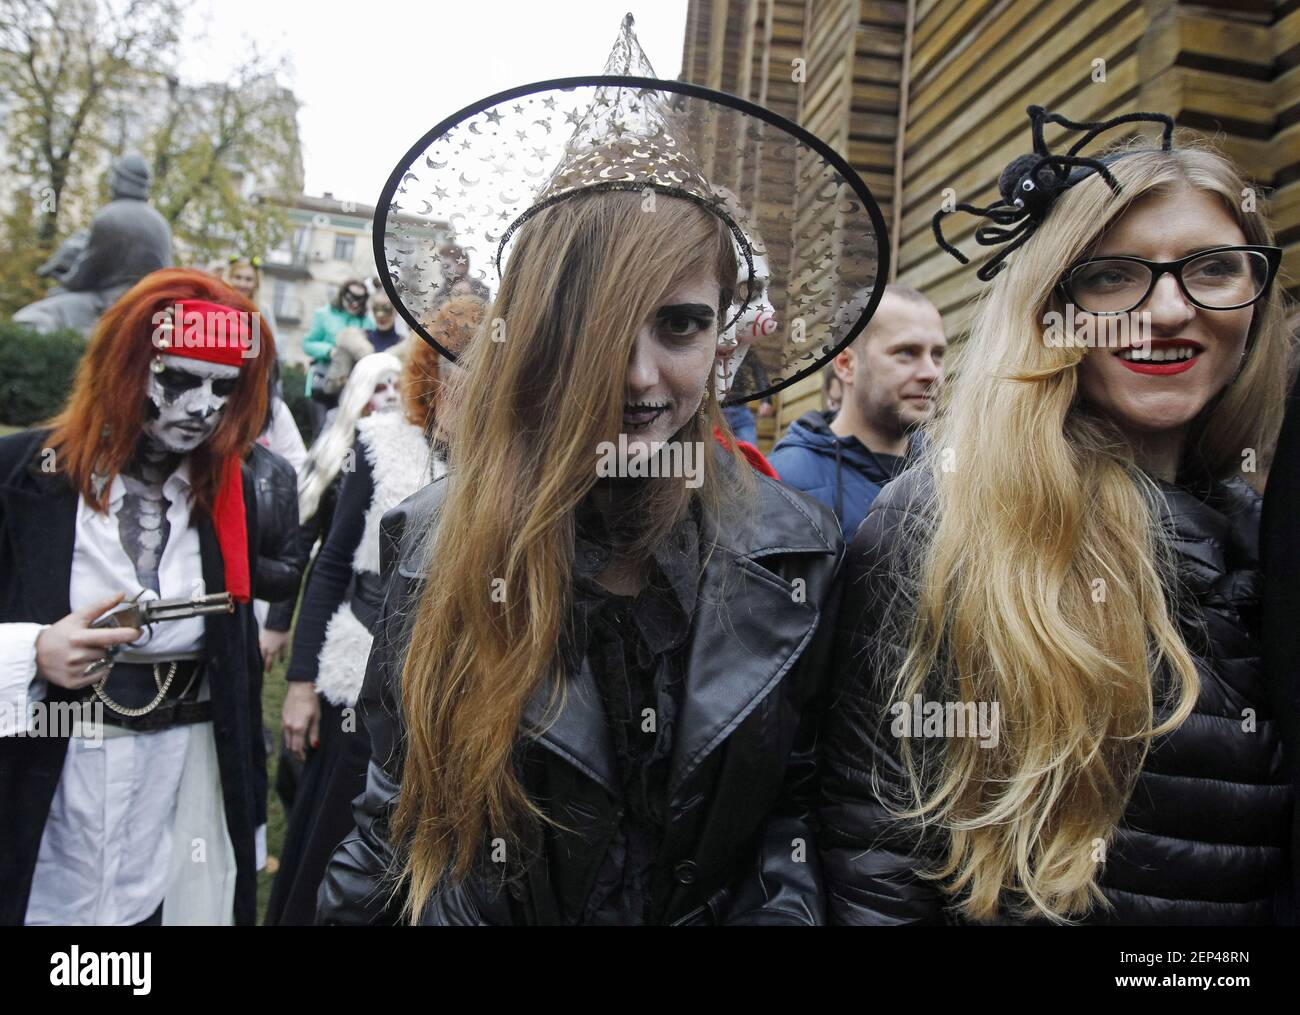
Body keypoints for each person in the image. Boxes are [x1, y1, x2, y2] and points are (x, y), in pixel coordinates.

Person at [316, 13, 887, 925]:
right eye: (594, 324)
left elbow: (803, 812)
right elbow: (396, 826)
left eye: (680, 324)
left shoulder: (800, 552)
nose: (636, 375)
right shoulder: (434, 539)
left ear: (724, 336)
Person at [820, 107, 1292, 925]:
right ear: (1051, 306)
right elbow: (876, 856)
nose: (1170, 310)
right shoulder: (942, 522)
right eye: (1112, 273)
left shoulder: (1265, 530)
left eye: (1213, 268)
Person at [0, 268, 274, 925]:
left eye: (223, 387)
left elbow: (235, 674)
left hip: (160, 825)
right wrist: (30, 650)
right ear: (125, 369)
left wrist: (245, 819)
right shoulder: (17, 477)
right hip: (39, 809)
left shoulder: (227, 503)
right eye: (177, 379)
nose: (202, 407)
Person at [266, 299, 481, 925]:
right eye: (459, 364)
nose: (475, 379)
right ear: (432, 374)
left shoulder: (512, 468)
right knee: (336, 838)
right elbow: (331, 564)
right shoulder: (379, 443)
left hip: (450, 698)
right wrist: (301, 683)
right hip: (358, 682)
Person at [269, 352, 405, 808]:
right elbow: (314, 561)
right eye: (377, 387)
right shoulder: (336, 458)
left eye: (396, 386)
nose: (388, 396)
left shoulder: (406, 459)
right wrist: (281, 629)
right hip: (344, 618)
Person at [769, 285, 946, 540]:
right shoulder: (784, 482)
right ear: (846, 365)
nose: (931, 373)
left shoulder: (949, 476)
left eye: (938, 355)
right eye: (907, 352)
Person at [13, 154, 173, 337]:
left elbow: (85, 275)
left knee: (32, 318)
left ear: (121, 180)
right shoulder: (161, 224)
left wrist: (62, 276)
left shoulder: (109, 217)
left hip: (108, 304)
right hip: (148, 308)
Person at [301, 280, 374, 437]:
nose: (354, 304)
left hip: (351, 386)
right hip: (323, 382)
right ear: (342, 295)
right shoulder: (324, 314)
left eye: (359, 299)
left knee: (347, 435)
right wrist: (329, 351)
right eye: (350, 297)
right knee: (322, 433)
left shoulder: (368, 323)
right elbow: (307, 343)